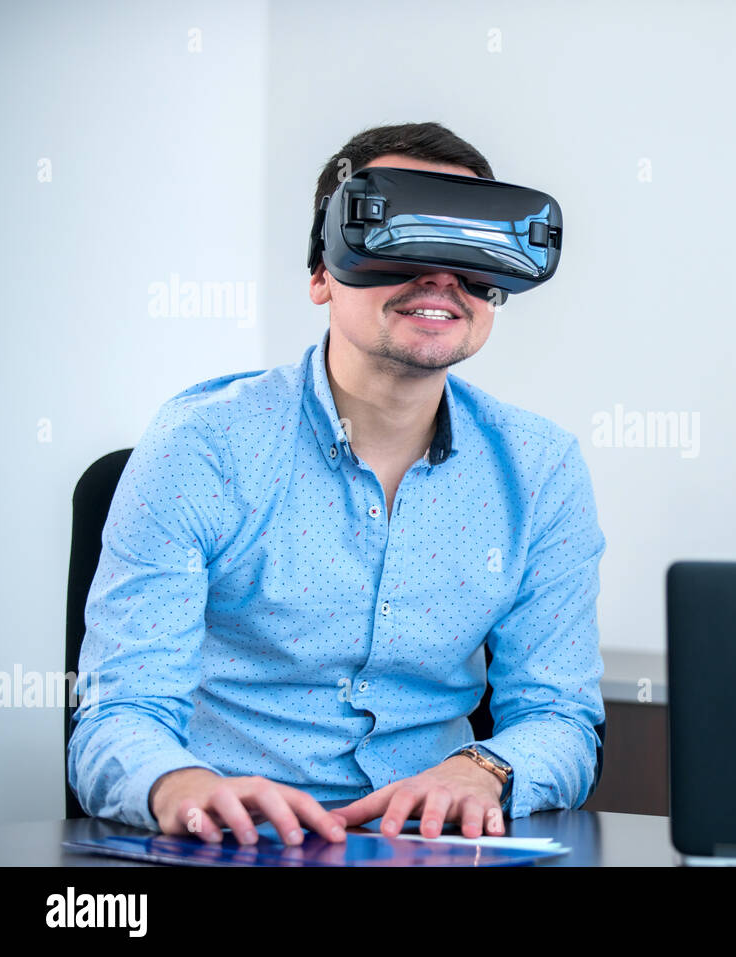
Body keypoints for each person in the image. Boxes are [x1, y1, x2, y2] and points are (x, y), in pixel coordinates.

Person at [69, 122, 607, 846]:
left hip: (430, 851)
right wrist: (182, 785)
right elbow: (120, 708)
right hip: (235, 849)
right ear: (322, 274)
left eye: (469, 250)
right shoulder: (202, 446)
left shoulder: (541, 470)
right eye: (402, 238)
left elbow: (560, 713)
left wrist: (485, 767)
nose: (440, 276)